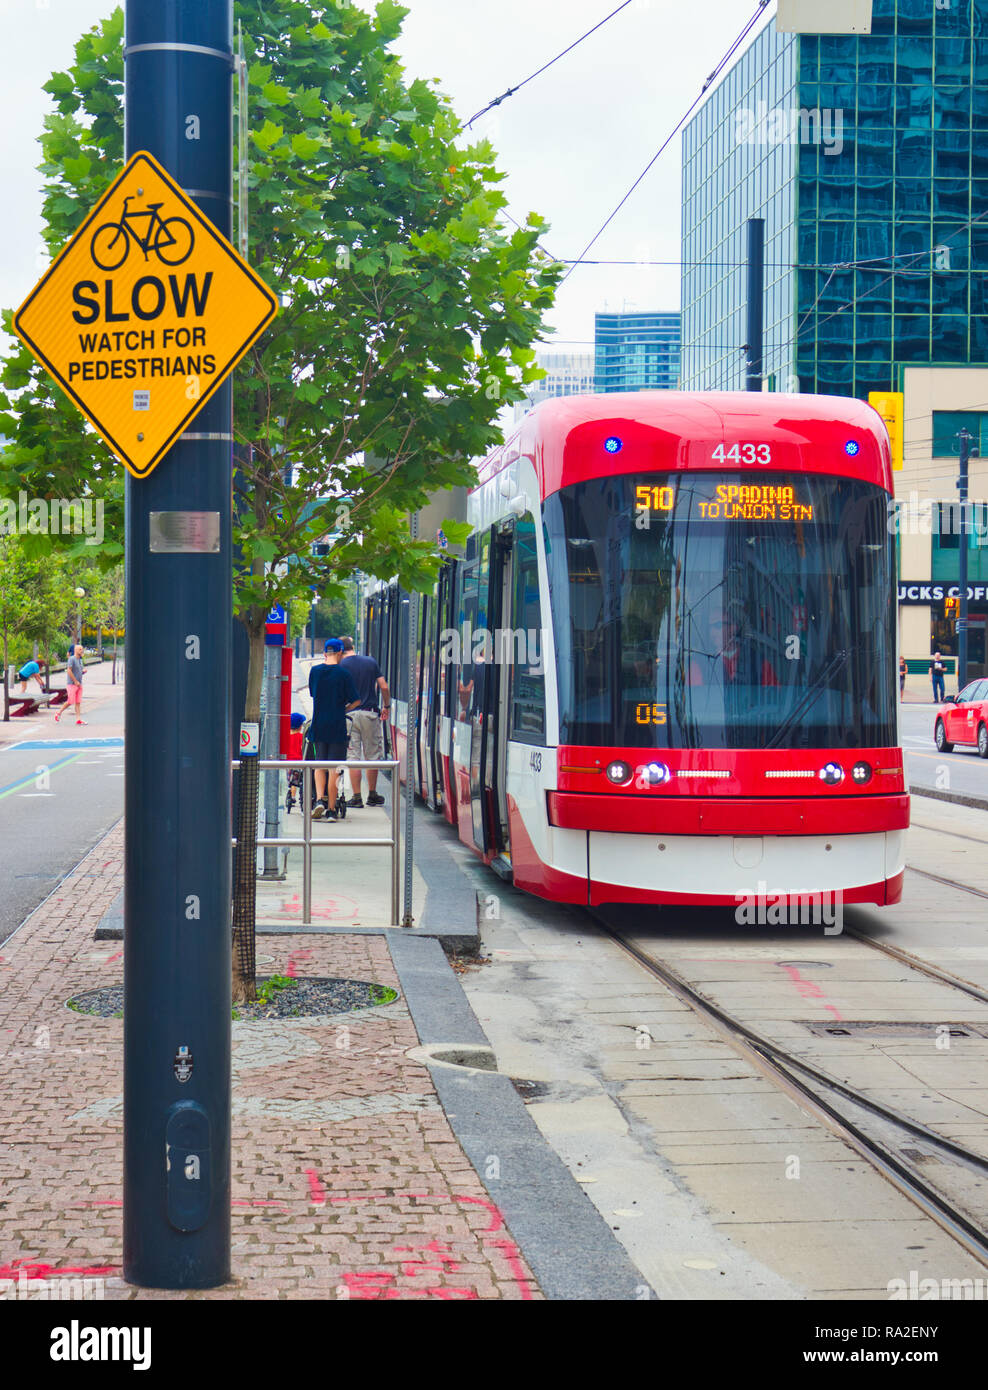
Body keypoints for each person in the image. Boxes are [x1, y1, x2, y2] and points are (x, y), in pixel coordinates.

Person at [307, 638, 359, 820]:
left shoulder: (315, 671)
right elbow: (356, 700)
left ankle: (319, 800)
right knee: (334, 769)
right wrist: (344, 709)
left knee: (319, 766)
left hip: (318, 725)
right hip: (337, 726)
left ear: (325, 654)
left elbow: (313, 694)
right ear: (339, 653)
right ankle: (331, 810)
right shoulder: (344, 675)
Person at [339, 635, 390, 807]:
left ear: (340, 649)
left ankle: (357, 797)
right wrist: (387, 706)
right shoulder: (370, 662)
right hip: (370, 714)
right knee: (372, 756)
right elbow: (384, 686)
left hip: (349, 715)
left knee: (353, 757)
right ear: (352, 646)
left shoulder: (341, 665)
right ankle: (373, 794)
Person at [55, 645, 86, 725]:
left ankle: (78, 719)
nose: (81, 650)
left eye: (82, 649)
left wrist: (83, 671)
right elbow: (69, 671)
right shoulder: (72, 659)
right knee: (70, 701)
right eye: (80, 649)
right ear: (75, 650)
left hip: (79, 683)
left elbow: (79, 670)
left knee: (78, 702)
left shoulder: (80, 660)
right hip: (72, 684)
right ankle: (59, 712)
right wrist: (75, 681)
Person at [285, 711, 306, 814]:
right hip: (300, 763)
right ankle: (302, 798)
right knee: (301, 782)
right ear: (301, 726)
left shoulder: (286, 737)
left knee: (292, 782)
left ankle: (292, 797)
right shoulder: (301, 737)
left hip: (289, 763)